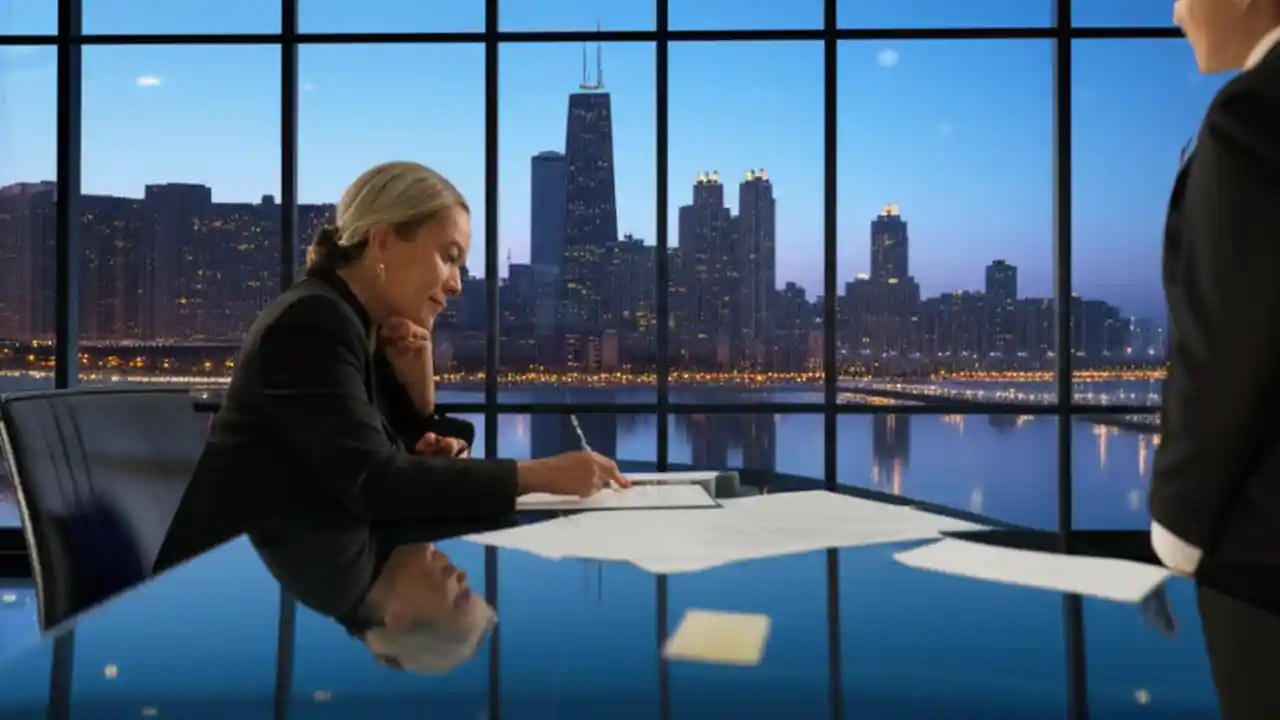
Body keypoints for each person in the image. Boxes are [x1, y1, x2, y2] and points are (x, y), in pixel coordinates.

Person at [154, 161, 629, 573]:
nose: (458, 284)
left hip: (288, 576)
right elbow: (378, 483)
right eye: (449, 258)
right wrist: (537, 475)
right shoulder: (312, 323)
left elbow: (396, 458)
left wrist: (420, 394)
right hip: (220, 595)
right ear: (383, 242)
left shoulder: (357, 323)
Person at [1150, 0, 1280, 574]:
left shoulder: (1254, 113)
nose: (1176, 14)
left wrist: (1179, 525)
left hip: (1259, 539)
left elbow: (1228, 340)